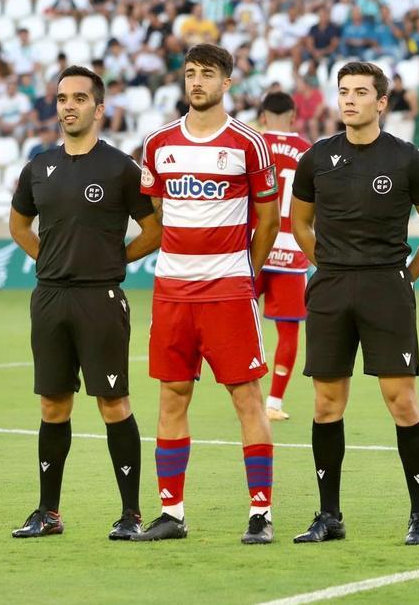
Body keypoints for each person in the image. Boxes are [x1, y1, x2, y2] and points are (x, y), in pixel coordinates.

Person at [289, 62, 419, 545]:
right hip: (331, 289)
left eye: (361, 92)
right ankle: (329, 515)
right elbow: (299, 224)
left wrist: (405, 276)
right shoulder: (317, 158)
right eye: (344, 91)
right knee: (326, 404)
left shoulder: (407, 159)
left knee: (402, 401)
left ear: (381, 102)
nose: (350, 99)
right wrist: (329, 265)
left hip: (387, 288)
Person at [133, 44, 282, 544]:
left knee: (247, 399)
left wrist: (245, 274)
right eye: (191, 73)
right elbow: (156, 216)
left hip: (228, 293)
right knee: (171, 397)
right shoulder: (158, 144)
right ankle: (171, 513)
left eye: (208, 74)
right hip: (172, 294)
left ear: (227, 83)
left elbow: (267, 220)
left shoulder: (248, 143)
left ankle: (260, 513)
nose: (197, 82)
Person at [8, 66, 162, 539]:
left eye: (79, 98)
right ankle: (48, 513)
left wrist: (116, 259)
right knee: (53, 405)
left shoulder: (120, 167)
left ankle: (131, 515)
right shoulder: (38, 167)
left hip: (101, 298)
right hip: (50, 298)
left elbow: (154, 230)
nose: (68, 106)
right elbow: (18, 225)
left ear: (99, 108)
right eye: (62, 99)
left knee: (113, 403)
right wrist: (48, 259)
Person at [255, 91, 313, 422]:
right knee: (288, 332)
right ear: (294, 116)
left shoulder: (252, 144)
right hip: (291, 250)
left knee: (235, 321)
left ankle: (245, 391)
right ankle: (274, 402)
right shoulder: (308, 151)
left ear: (263, 117)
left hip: (252, 247)